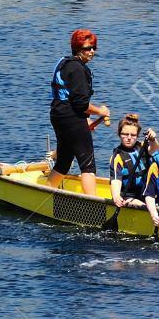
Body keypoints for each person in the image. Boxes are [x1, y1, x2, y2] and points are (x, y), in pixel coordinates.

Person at [49, 29, 109, 196]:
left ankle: (46, 191)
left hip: (59, 116)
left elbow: (72, 99)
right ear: (77, 49)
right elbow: (81, 104)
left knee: (64, 160)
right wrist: (100, 111)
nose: (91, 52)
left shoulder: (65, 63)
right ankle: (92, 203)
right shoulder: (78, 69)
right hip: (71, 118)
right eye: (86, 48)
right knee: (87, 163)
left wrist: (86, 120)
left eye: (93, 48)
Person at [109, 113, 158, 209]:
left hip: (147, 193)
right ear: (119, 134)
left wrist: (153, 139)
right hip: (128, 196)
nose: (129, 138)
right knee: (146, 206)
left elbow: (155, 148)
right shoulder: (117, 157)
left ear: (137, 135)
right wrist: (116, 196)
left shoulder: (142, 146)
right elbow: (115, 180)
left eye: (133, 135)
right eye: (125, 134)